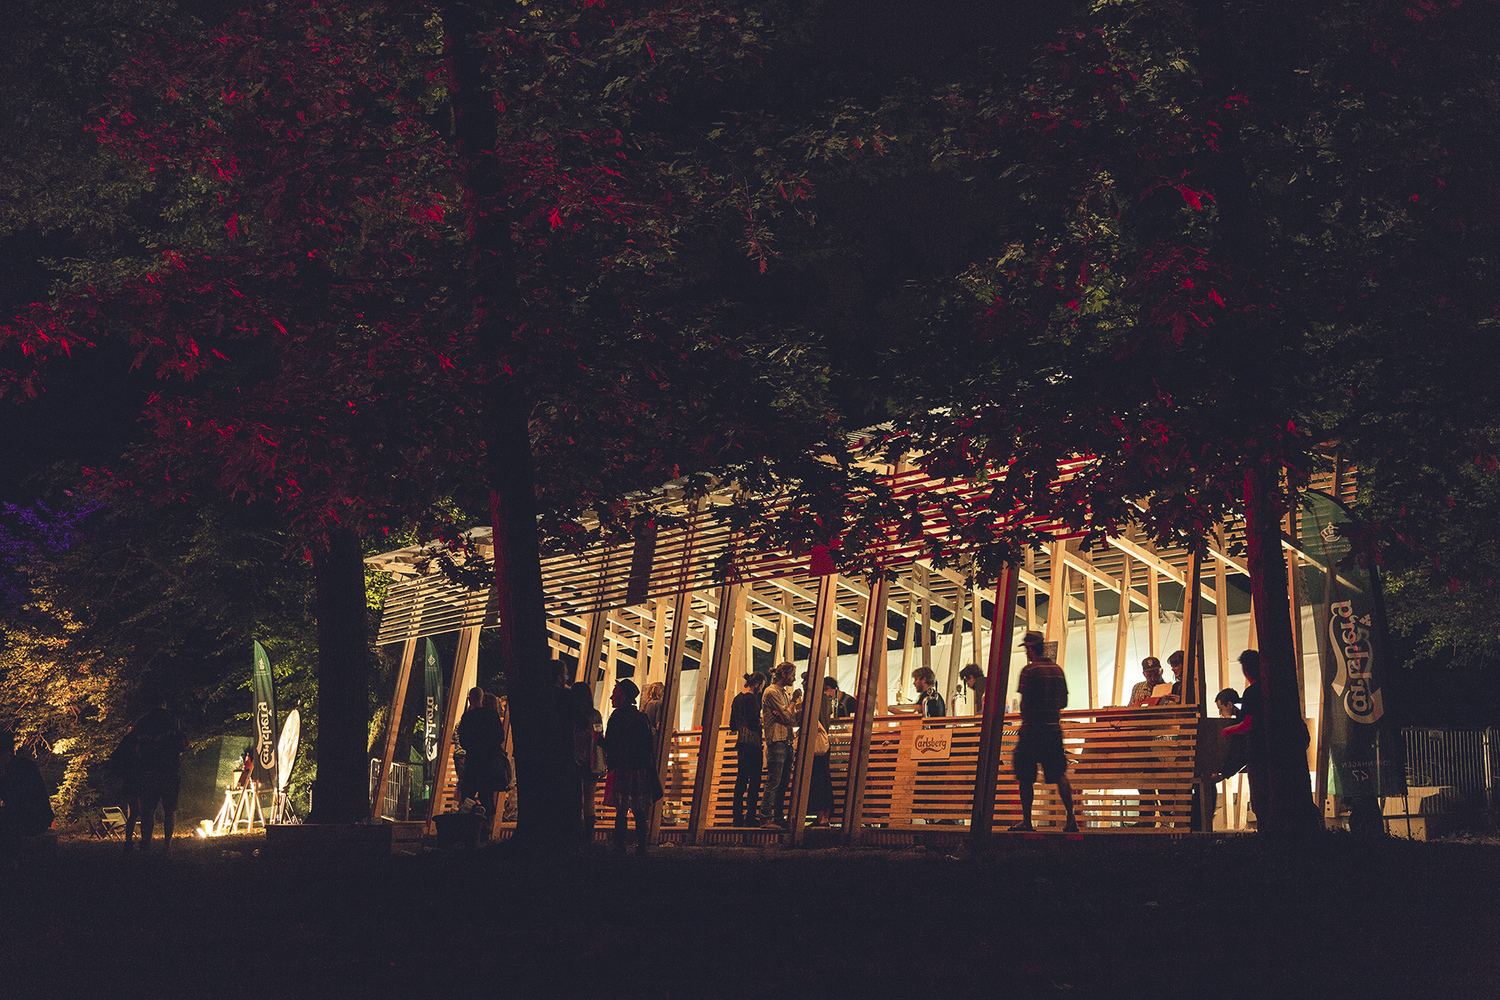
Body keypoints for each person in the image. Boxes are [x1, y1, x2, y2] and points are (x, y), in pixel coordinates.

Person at [1010, 630, 1078, 833]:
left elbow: (1024, 705)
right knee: (1059, 774)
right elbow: (1064, 701)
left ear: (1030, 648)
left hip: (1032, 731)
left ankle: (1027, 822)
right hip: (1053, 730)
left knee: (1025, 775)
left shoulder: (1028, 671)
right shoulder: (1057, 669)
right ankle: (1071, 819)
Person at [602, 679, 660, 852]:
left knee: (621, 810)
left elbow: (611, 745)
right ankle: (641, 846)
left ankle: (619, 846)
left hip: (622, 768)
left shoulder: (617, 717)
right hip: (639, 769)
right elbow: (649, 745)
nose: (611, 697)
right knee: (638, 809)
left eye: (615, 693)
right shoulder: (642, 718)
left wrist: (598, 740)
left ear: (622, 696)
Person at [128, 690, 187, 851]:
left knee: (148, 810)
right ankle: (167, 844)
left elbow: (133, 747)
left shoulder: (143, 722)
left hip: (148, 771)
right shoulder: (174, 720)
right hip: (170, 770)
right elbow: (183, 745)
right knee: (170, 809)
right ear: (164, 703)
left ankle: (146, 843)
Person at [1221, 651, 1267, 825]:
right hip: (1281, 752)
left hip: (1259, 753)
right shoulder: (1277, 687)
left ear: (1247, 671)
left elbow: (1248, 725)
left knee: (1261, 797)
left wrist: (1228, 730)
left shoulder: (1252, 692)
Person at [0, 730, 54, 862]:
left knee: (6, 826)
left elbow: (19, 801)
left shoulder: (23, 768)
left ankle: (9, 863)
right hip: (16, 815)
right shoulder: (7, 769)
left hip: (35, 816)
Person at [456, 687, 507, 823]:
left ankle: (469, 826)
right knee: (487, 797)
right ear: (482, 698)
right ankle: (487, 829)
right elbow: (500, 738)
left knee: (467, 797)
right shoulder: (492, 715)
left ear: (470, 699)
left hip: (473, 762)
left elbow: (463, 741)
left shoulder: (467, 717)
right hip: (489, 763)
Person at [758, 662, 799, 828]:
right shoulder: (772, 692)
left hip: (787, 739)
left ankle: (778, 817)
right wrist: (794, 702)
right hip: (777, 740)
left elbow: (790, 718)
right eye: (792, 675)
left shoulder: (783, 693)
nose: (794, 678)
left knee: (783, 782)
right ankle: (766, 817)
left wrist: (787, 715)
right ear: (784, 675)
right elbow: (789, 716)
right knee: (774, 781)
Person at [728, 672, 765, 827]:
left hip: (741, 743)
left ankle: (737, 817)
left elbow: (732, 725)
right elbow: (754, 722)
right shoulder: (752, 699)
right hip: (753, 743)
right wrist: (762, 721)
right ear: (756, 684)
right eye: (762, 686)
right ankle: (750, 817)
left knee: (741, 780)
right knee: (755, 781)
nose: (762, 689)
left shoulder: (736, 699)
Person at [571, 682, 605, 838]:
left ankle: (576, 830)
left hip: (574, 759)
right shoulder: (595, 714)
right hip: (591, 760)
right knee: (590, 798)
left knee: (575, 797)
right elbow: (599, 734)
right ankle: (589, 834)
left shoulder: (571, 715)